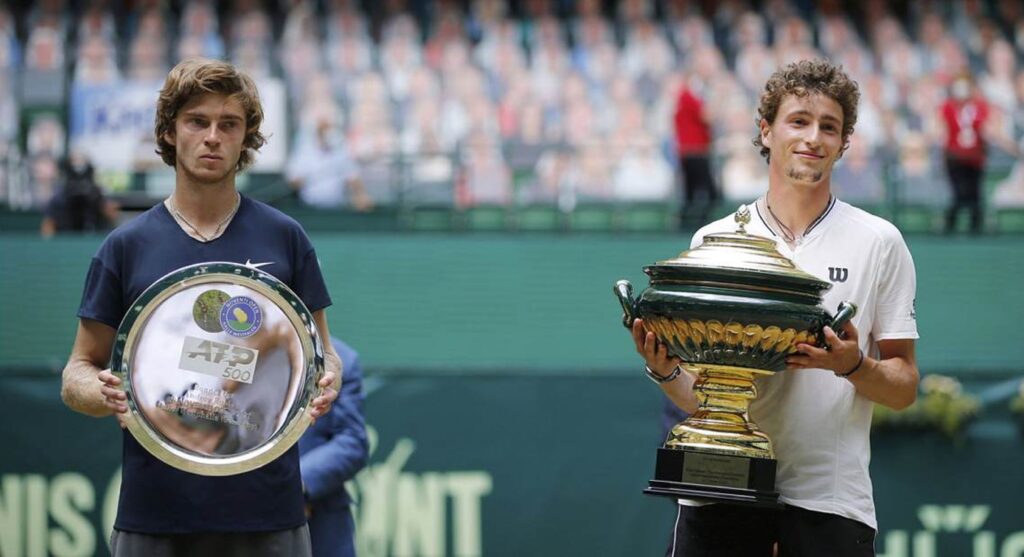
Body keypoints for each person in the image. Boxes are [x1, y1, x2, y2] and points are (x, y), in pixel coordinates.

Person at [630, 59, 920, 557]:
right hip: (719, 493)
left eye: (829, 127)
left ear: (844, 143)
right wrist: (665, 372)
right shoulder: (713, 242)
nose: (814, 138)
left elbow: (904, 387)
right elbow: (707, 399)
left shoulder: (879, 242)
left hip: (829, 503)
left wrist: (852, 365)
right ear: (766, 130)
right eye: (799, 121)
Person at [59, 58, 342, 557]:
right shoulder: (125, 247)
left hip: (270, 514)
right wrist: (98, 391)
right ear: (170, 133)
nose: (213, 136)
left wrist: (328, 378)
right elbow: (77, 373)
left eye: (228, 124)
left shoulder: (287, 237)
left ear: (245, 138)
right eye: (197, 121)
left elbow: (322, 353)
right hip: (155, 514)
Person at [300, 336, 369, 557]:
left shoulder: (342, 359)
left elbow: (353, 442)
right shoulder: (232, 350)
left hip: (320, 525)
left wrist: (296, 485)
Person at [287, 114, 373, 210]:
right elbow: (293, 181)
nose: (327, 133)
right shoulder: (303, 153)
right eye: (323, 131)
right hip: (310, 208)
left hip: (336, 208)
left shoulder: (341, 153)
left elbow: (353, 178)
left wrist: (360, 196)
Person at [939, 73, 989, 234]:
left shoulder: (979, 107)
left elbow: (986, 130)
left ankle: (976, 227)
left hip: (975, 158)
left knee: (975, 193)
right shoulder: (948, 106)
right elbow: (942, 129)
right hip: (955, 157)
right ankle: (949, 224)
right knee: (959, 192)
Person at [673, 72, 720, 229]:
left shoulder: (684, 97)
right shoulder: (689, 97)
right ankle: (695, 224)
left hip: (689, 151)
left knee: (691, 194)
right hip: (696, 152)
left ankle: (685, 224)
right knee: (711, 193)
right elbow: (708, 117)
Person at [41, 151, 117, 236]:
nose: (78, 166)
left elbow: (112, 219)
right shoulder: (59, 197)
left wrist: (100, 204)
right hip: (65, 240)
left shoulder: (96, 194)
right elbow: (47, 230)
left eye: (82, 162)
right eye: (75, 162)